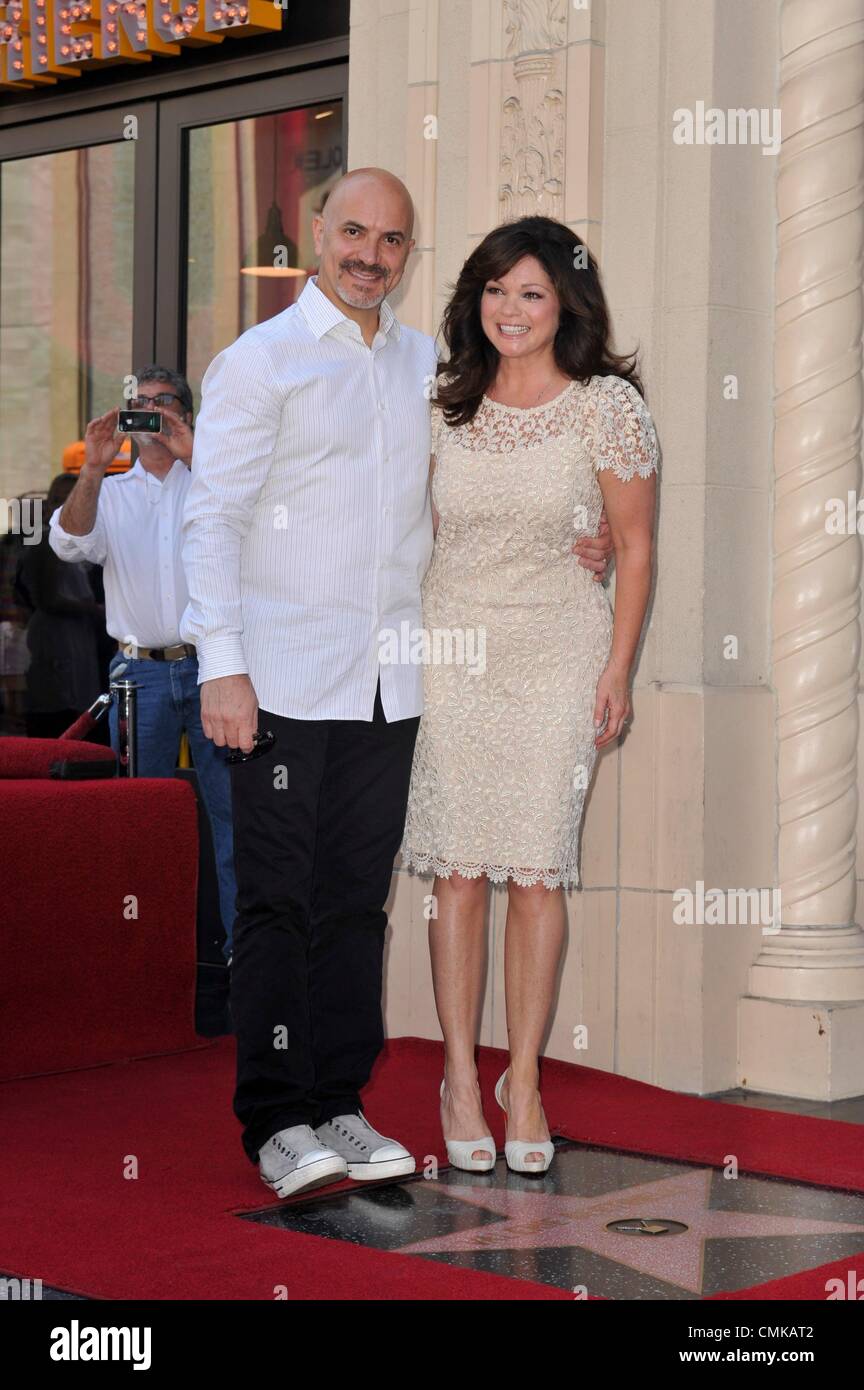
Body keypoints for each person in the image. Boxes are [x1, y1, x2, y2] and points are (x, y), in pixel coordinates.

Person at [180, 168, 615, 1200]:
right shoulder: (259, 364)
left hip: (395, 687)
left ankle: (338, 1099)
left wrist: (579, 539)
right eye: (354, 232)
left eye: (392, 240)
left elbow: (495, 478)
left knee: (355, 907)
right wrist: (222, 666)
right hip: (280, 680)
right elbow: (212, 520)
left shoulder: (430, 366)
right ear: (316, 235)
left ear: (409, 257)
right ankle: (277, 1119)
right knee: (276, 907)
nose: (371, 253)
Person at [400, 215, 659, 1175]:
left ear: (566, 305)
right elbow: (404, 532)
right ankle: (461, 1079)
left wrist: (618, 670)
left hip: (558, 653)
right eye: (497, 290)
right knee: (460, 871)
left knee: (539, 872)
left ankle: (528, 1081)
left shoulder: (606, 408)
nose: (511, 309)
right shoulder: (441, 403)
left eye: (533, 292)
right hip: (455, 652)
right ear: (475, 299)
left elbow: (633, 548)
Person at [48, 368, 237, 962]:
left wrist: (197, 453)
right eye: (140, 405)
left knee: (232, 818)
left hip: (214, 668)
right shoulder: (112, 491)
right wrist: (95, 468)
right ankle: (144, 959)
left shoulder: (213, 481)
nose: (150, 413)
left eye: (164, 404)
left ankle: (240, 959)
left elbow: (255, 516)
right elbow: (68, 542)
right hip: (139, 676)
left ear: (185, 414)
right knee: (138, 820)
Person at [17, 473, 105, 739]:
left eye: (70, 497)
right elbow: (47, 598)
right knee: (58, 708)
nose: (64, 504)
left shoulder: (88, 535)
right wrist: (92, 609)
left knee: (79, 706)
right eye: (57, 499)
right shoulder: (44, 542)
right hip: (56, 635)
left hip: (79, 635)